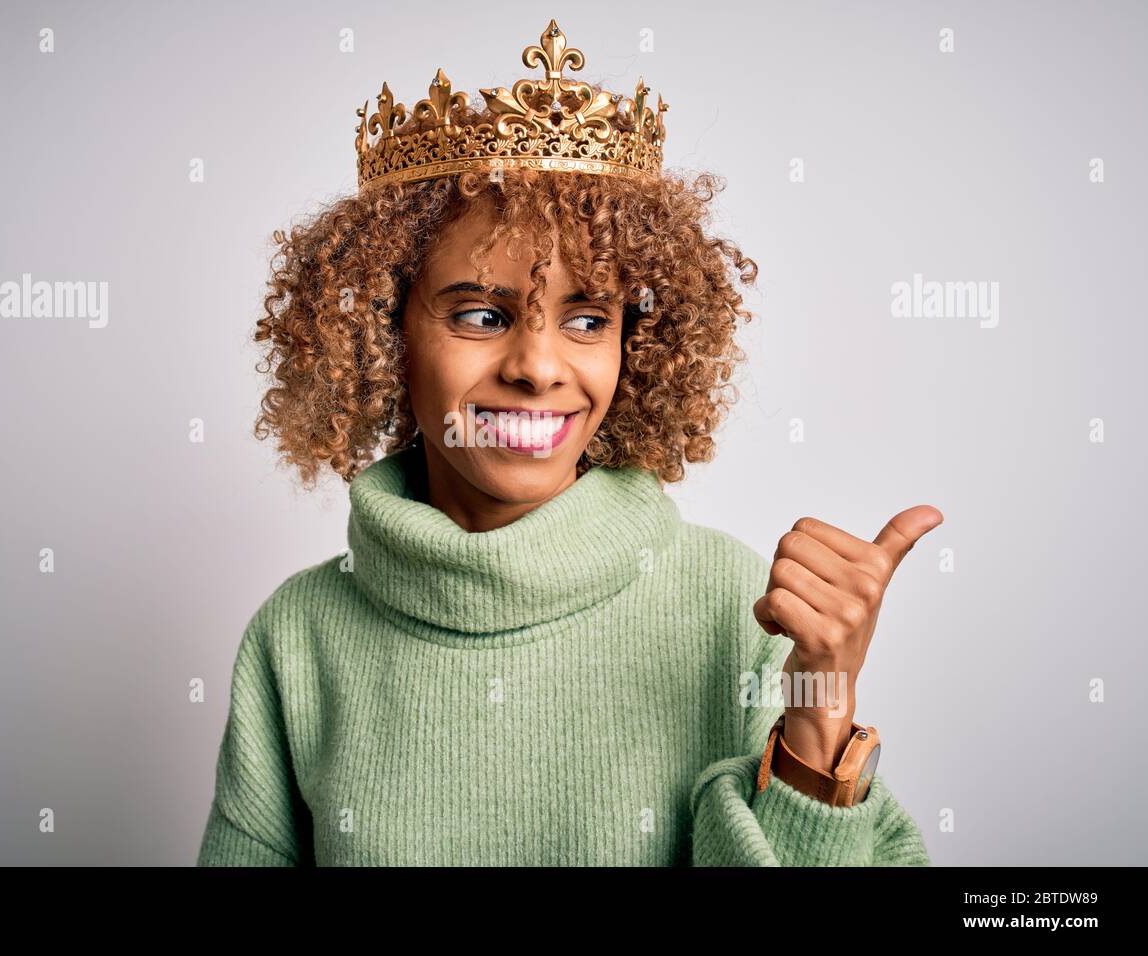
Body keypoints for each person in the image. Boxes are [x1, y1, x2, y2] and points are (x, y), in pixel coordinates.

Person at [196, 19, 940, 866]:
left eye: (588, 318)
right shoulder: (295, 637)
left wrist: (818, 709)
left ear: (635, 345)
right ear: (383, 331)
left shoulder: (746, 609)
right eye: (481, 315)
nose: (539, 367)